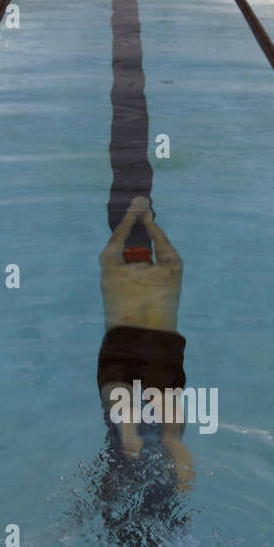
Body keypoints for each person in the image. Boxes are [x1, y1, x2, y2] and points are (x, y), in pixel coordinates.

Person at [98, 196, 192, 486]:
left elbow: (109, 251)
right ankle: (181, 477)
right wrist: (149, 221)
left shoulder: (115, 273)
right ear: (151, 257)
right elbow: (171, 256)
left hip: (120, 344)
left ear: (127, 256)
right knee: (172, 436)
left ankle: (128, 430)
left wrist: (130, 216)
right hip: (162, 348)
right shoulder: (168, 273)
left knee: (122, 409)